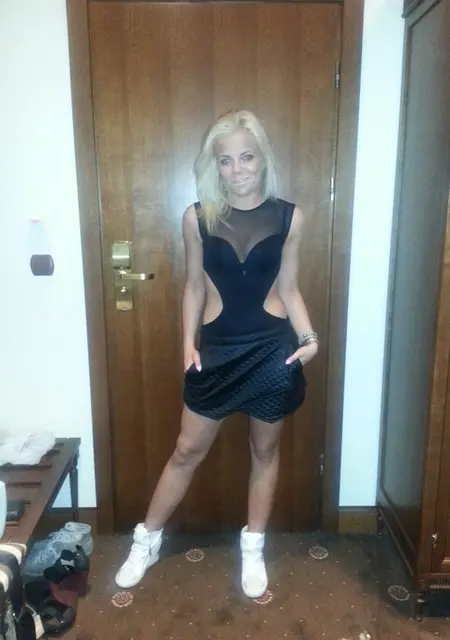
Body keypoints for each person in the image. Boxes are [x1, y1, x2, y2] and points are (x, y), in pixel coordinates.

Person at [115, 110, 319, 598]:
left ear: (262, 159)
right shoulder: (198, 217)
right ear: (215, 166)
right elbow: (193, 287)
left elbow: (289, 289)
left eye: (247, 157)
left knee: (264, 452)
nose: (237, 169)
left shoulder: (290, 217)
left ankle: (253, 545)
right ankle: (146, 541)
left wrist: (310, 338)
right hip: (218, 351)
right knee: (186, 450)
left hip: (271, 351)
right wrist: (187, 343)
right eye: (226, 160)